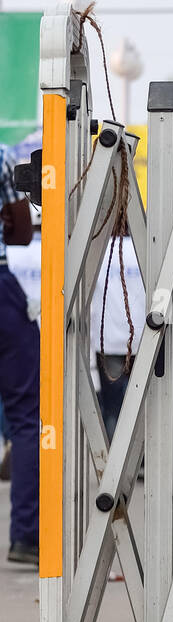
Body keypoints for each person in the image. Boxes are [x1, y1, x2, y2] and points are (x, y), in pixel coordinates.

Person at [0, 142, 38, 565]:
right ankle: (26, 535)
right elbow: (24, 231)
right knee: (28, 414)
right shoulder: (2, 157)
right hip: (1, 291)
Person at [90, 229, 146, 440]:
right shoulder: (145, 249)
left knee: (113, 408)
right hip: (142, 341)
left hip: (108, 340)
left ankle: (114, 461)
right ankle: (140, 459)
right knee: (141, 406)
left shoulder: (102, 250)